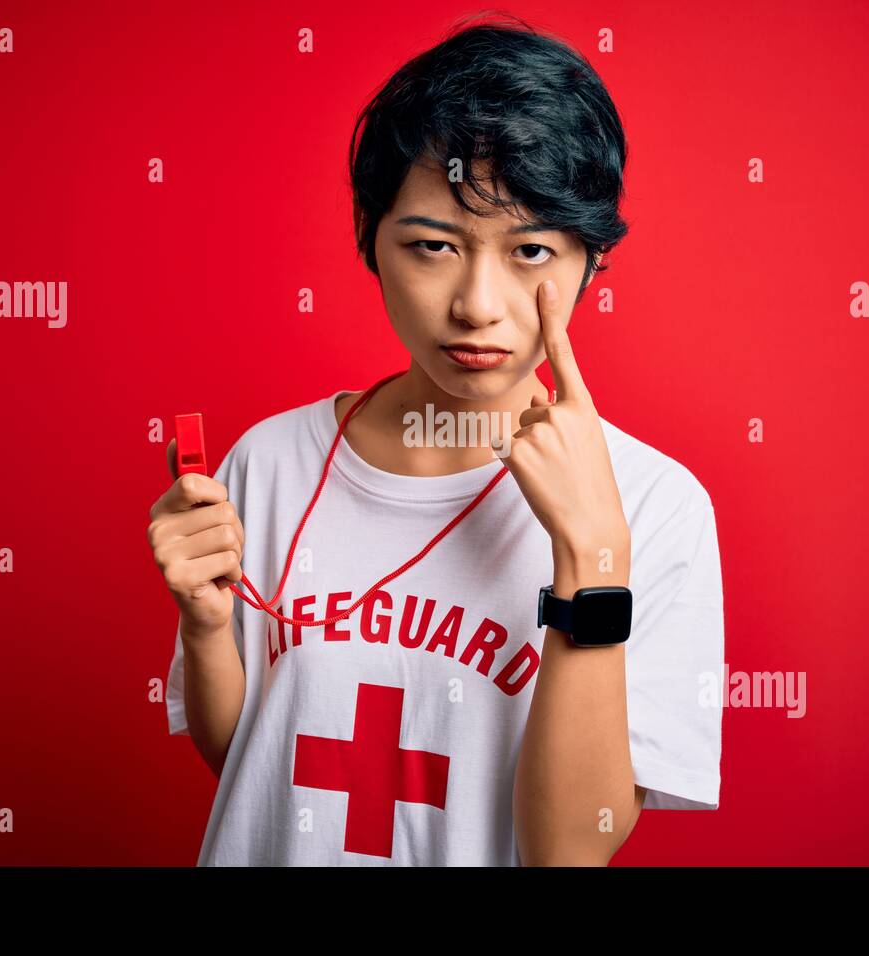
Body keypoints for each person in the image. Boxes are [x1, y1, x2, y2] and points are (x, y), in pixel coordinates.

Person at [146, 15, 723, 867]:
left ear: (591, 262)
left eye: (531, 249)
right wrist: (205, 629)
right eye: (433, 247)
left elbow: (570, 851)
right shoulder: (268, 463)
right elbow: (251, 766)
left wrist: (592, 555)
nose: (478, 304)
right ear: (370, 239)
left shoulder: (653, 503)